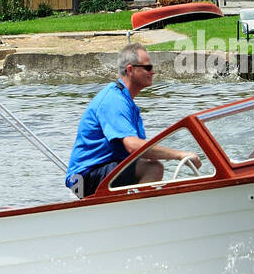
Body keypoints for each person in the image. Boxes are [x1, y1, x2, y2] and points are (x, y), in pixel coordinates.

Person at [65, 43, 201, 197]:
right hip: (82, 180)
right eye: (148, 68)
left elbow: (140, 151)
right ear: (130, 70)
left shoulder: (126, 101)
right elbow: (134, 146)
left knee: (149, 165)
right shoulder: (114, 100)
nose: (153, 72)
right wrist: (179, 155)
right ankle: (139, 214)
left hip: (96, 173)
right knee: (153, 168)